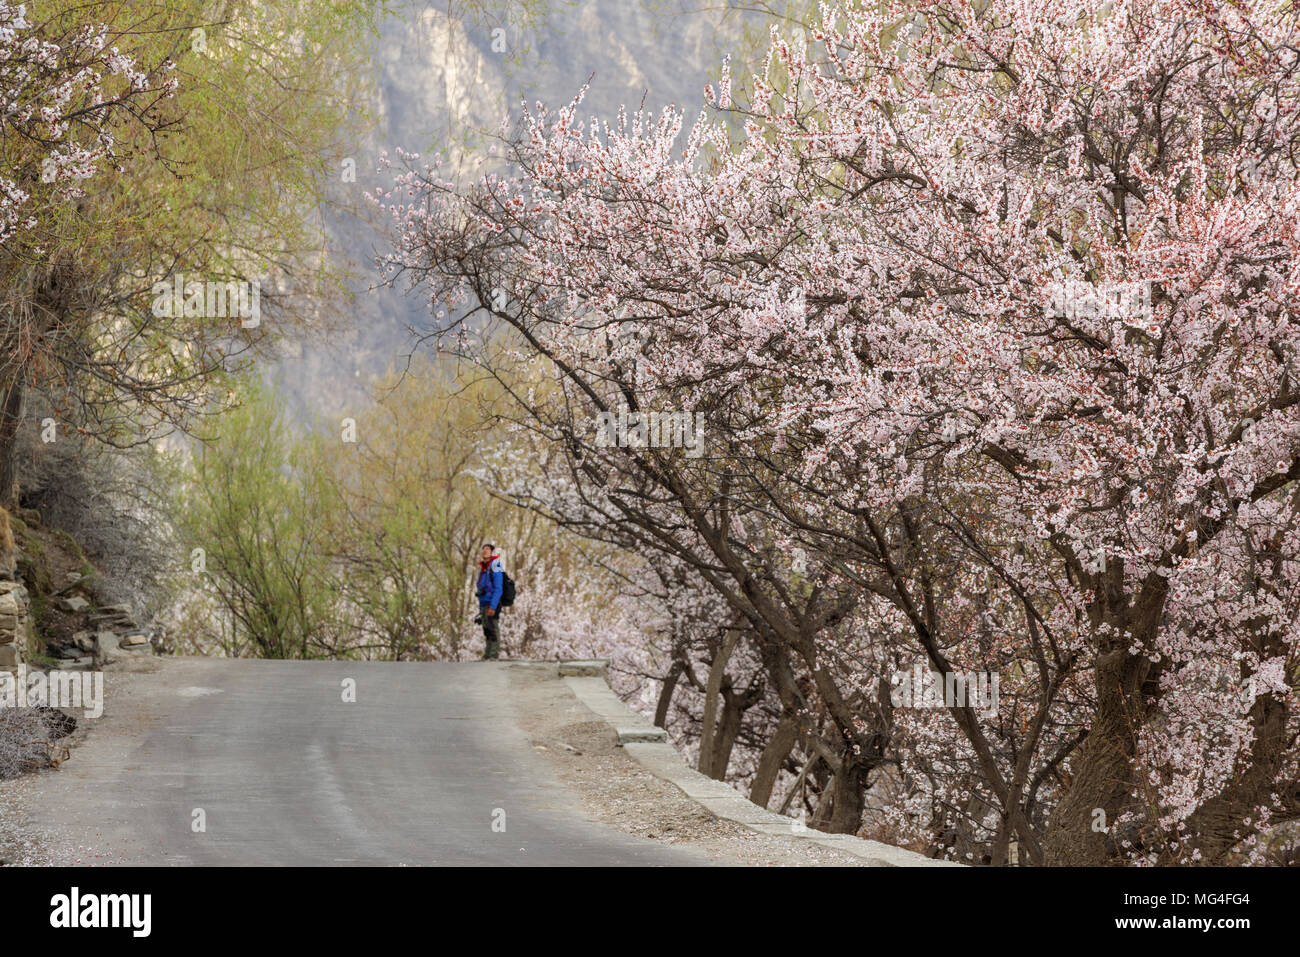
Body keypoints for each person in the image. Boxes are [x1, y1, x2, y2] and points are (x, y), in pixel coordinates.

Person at [475, 543, 504, 660]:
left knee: (493, 629)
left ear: (492, 552)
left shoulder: (496, 565)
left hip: (492, 603)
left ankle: (493, 655)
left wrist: (493, 606)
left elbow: (498, 588)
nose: (484, 551)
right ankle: (487, 655)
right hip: (484, 604)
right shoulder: (482, 569)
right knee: (487, 630)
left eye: (487, 549)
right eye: (483, 549)